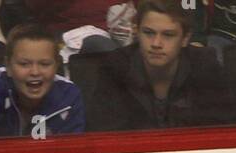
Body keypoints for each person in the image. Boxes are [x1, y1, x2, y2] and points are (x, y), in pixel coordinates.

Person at [87, 0, 227, 132]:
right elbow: (104, 134)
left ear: (185, 39)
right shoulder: (116, 66)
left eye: (168, 35)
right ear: (136, 31)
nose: (156, 43)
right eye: (148, 33)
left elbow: (219, 131)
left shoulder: (204, 65)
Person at [0, 22, 82, 136]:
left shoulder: (69, 95)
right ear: (8, 66)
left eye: (44, 64)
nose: (35, 72)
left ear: (56, 65)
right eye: (24, 64)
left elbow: (75, 149)